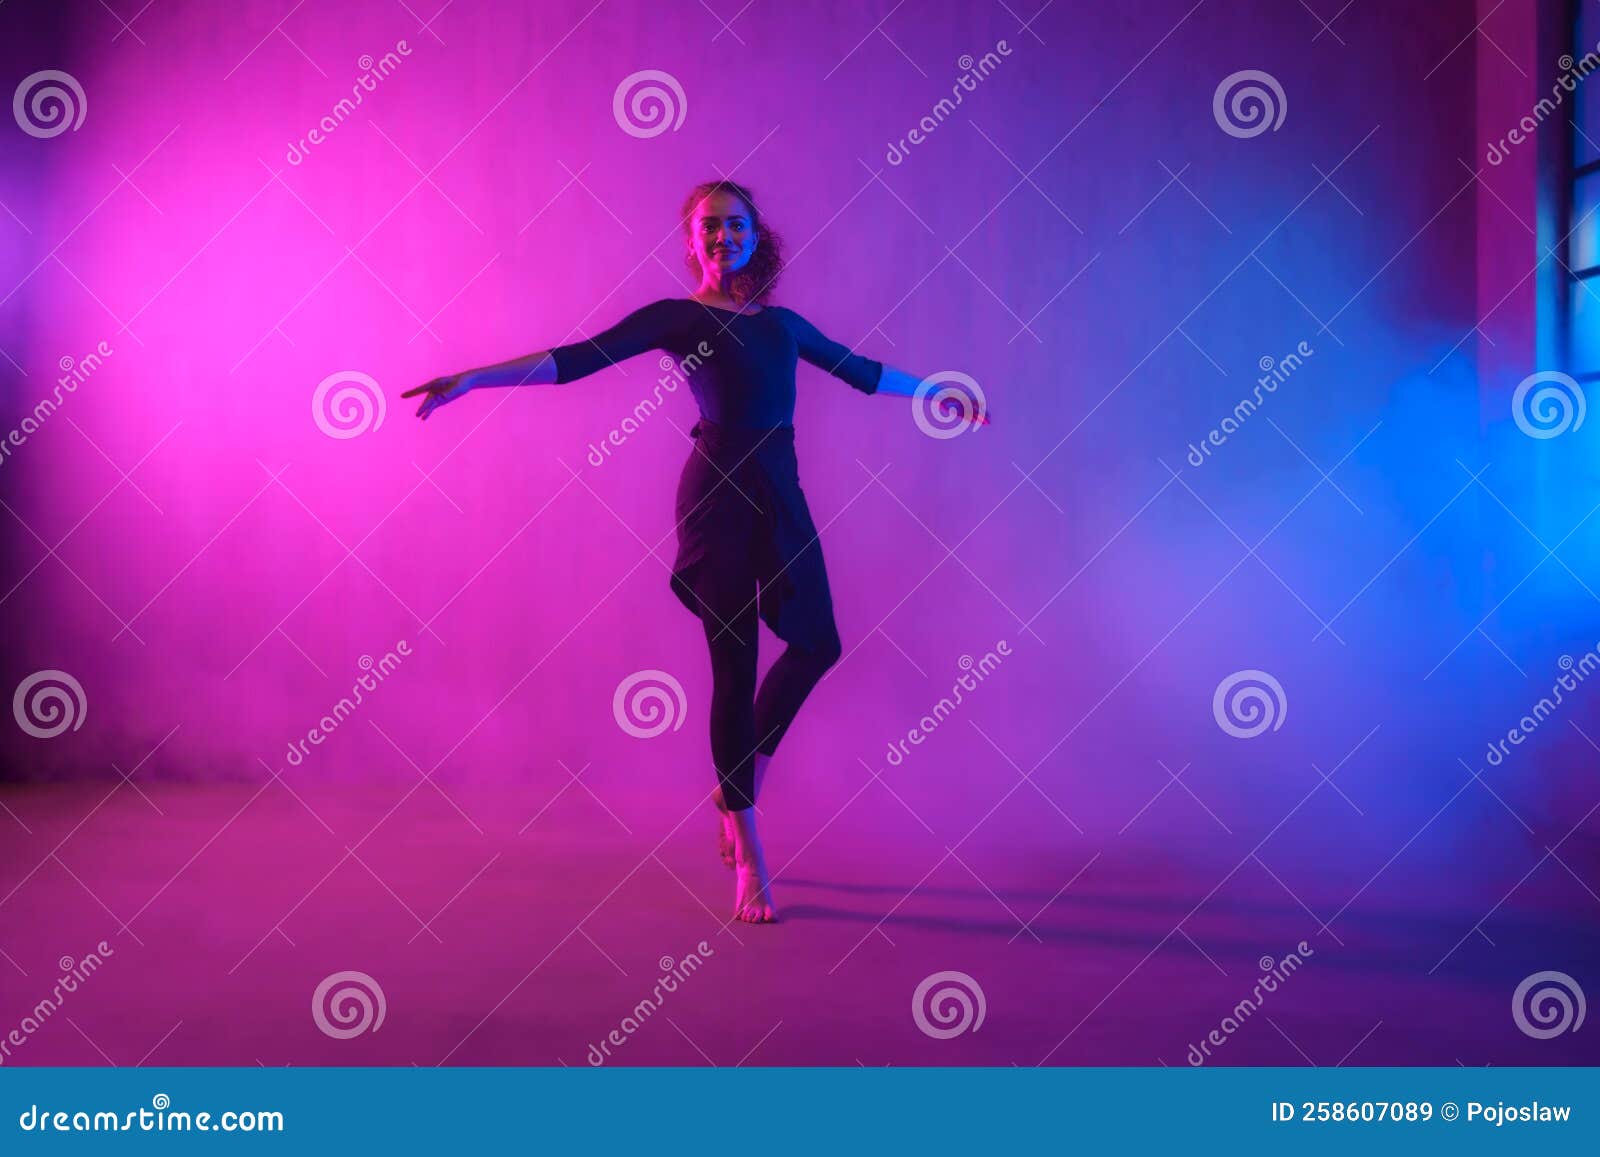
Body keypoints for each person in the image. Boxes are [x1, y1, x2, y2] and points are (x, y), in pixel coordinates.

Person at [405, 180, 987, 923]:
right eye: (708, 226)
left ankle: (737, 781)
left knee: (818, 643)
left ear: (753, 234)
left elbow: (863, 372)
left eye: (735, 224)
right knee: (734, 666)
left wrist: (939, 392)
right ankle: (748, 855)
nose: (722, 236)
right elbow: (578, 359)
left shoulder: (782, 326)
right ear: (690, 241)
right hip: (715, 504)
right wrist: (475, 379)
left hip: (781, 498)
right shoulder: (677, 318)